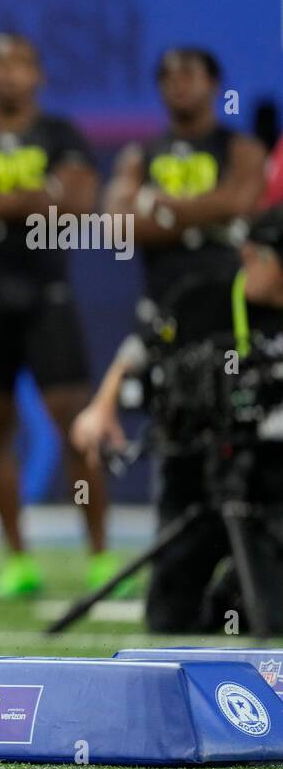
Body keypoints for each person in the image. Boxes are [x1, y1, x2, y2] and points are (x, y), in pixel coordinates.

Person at [0, 33, 113, 598]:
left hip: (47, 296)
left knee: (77, 430)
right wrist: (39, 194)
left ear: (38, 75)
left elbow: (78, 205)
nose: (11, 75)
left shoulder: (61, 135)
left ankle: (101, 559)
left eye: (22, 65)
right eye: (1, 65)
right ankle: (18, 561)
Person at [72, 206, 283, 634]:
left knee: (272, 615)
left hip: (276, 479)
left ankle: (238, 596)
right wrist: (102, 406)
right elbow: (139, 348)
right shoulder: (202, 297)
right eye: (255, 255)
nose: (253, 264)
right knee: (170, 618)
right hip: (201, 474)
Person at [103, 48, 265, 310]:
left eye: (188, 75)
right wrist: (211, 219)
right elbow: (117, 228)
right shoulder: (137, 156)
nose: (177, 85)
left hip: (228, 299)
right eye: (168, 78)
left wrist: (159, 205)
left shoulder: (243, 149)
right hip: (161, 301)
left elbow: (238, 204)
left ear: (213, 83)